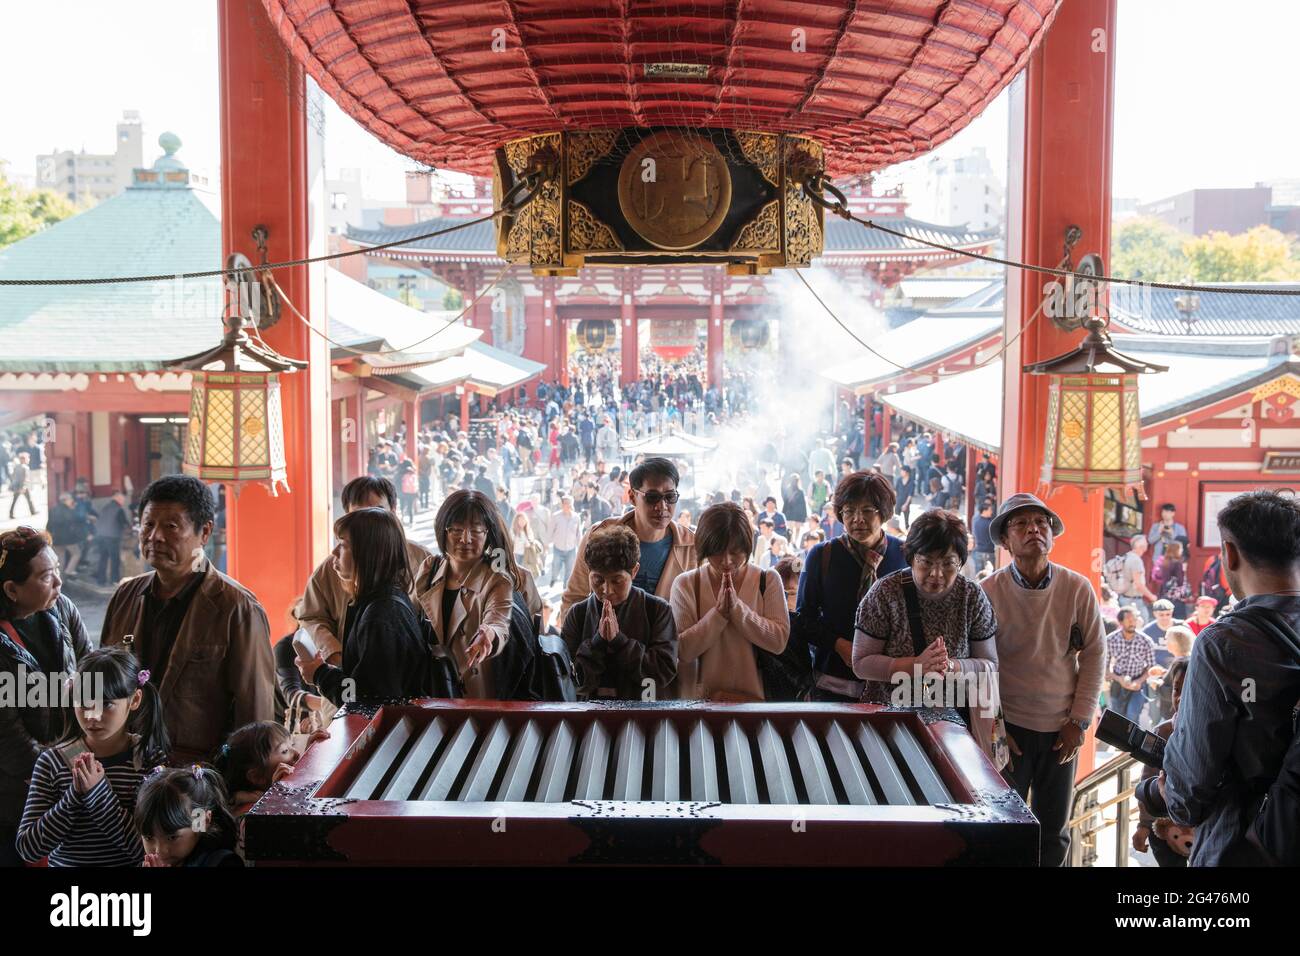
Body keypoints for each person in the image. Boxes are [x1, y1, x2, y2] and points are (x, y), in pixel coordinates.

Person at [1144, 490, 1300, 866]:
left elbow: (1187, 797)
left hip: (1245, 847)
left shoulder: (1223, 643)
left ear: (1229, 554)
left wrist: (1168, 787)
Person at [101, 475, 274, 763]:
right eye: (148, 524)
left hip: (194, 778)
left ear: (205, 532)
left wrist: (234, 785)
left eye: (171, 526)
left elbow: (255, 715)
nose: (155, 536)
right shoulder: (125, 597)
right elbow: (104, 683)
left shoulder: (237, 608)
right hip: (124, 771)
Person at [980, 492, 1106, 868]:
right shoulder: (988, 592)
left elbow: (1096, 654)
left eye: (1041, 522)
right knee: (1006, 827)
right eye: (1021, 523)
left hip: (1061, 731)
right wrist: (996, 728)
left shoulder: (1077, 587)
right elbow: (979, 666)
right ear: (1005, 541)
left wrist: (1079, 721)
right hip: (1010, 730)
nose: (1034, 529)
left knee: (1054, 832)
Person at [851, 510, 999, 758]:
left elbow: (990, 665)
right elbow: (861, 663)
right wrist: (916, 665)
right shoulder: (885, 593)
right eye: (927, 562)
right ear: (911, 557)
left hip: (954, 731)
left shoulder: (971, 596)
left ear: (961, 562)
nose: (936, 574)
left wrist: (952, 667)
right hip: (890, 728)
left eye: (948, 563)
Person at [17, 646, 169, 867]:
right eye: (83, 704)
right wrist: (75, 795)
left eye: (106, 704)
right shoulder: (53, 762)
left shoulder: (149, 760)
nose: (92, 715)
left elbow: (152, 850)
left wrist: (97, 793)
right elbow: (28, 848)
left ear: (135, 700)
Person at [0, 527, 92, 866]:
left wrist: (86, 751)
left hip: (68, 769)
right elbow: (8, 737)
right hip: (15, 792)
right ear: (12, 590)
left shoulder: (62, 609)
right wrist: (57, 771)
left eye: (57, 571)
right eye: (46, 576)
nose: (59, 583)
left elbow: (89, 669)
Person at [298, 508, 433, 705]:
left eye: (343, 545)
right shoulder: (380, 602)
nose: (334, 552)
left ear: (368, 553)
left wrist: (320, 674)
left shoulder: (382, 615)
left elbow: (366, 700)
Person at [794, 471, 908, 702]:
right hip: (834, 685)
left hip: (893, 686)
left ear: (885, 513)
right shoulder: (821, 556)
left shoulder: (906, 556)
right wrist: (839, 645)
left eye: (867, 510)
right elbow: (803, 618)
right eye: (849, 511)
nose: (857, 519)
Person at [669, 502, 790, 701]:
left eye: (735, 551)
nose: (726, 560)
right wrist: (718, 615)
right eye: (717, 551)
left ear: (747, 545)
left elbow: (779, 641)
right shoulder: (686, 584)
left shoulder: (767, 580)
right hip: (701, 705)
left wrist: (737, 610)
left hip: (756, 704)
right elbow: (683, 651)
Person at [560, 457, 696, 623]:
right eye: (652, 497)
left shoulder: (691, 547)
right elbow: (574, 597)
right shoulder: (599, 535)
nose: (662, 506)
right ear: (632, 497)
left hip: (664, 646)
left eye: (670, 496)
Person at [414, 490, 520, 699]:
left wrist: (487, 633)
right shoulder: (430, 569)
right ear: (443, 531)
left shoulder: (497, 579)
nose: (465, 538)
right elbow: (410, 620)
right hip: (433, 693)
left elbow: (498, 618)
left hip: (476, 697)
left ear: (488, 533)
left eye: (476, 530)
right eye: (456, 529)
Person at [561, 523, 677, 700]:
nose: (607, 590)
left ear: (634, 571)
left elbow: (662, 674)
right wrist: (598, 642)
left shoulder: (658, 610)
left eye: (617, 580)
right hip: (588, 716)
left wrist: (620, 643)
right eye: (598, 579)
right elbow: (570, 678)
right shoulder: (577, 614)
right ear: (588, 573)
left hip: (642, 715)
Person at [1133, 657, 1191, 869]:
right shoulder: (1163, 732)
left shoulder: (1214, 732)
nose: (1181, 697)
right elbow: (1148, 779)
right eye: (1177, 690)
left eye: (1190, 689)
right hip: (1166, 827)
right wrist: (1144, 825)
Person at [136, 766, 242, 867]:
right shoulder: (151, 863)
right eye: (149, 838)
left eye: (172, 837)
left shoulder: (224, 862)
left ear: (201, 822)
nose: (159, 851)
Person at [1104, 607, 1156, 724]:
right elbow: (1104, 668)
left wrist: (1139, 681)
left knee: (1132, 716)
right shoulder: (1110, 640)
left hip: (1138, 684)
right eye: (1128, 619)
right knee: (1117, 718)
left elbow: (1151, 668)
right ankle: (1116, 742)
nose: (1132, 622)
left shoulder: (1146, 641)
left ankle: (1131, 742)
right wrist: (1118, 679)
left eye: (1134, 619)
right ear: (1121, 622)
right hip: (1117, 682)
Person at [92, 489, 131, 586]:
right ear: (117, 498)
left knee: (103, 558)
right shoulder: (119, 509)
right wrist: (129, 527)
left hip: (101, 536)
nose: (123, 501)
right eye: (122, 499)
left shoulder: (105, 507)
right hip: (112, 537)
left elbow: (100, 520)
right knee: (115, 559)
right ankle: (114, 580)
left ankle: (101, 581)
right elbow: (124, 523)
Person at [47, 492, 90, 577]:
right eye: (70, 499)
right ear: (65, 500)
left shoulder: (53, 509)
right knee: (77, 553)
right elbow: (75, 523)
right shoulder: (69, 510)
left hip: (55, 538)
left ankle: (59, 577)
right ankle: (69, 571)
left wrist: (49, 536)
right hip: (68, 539)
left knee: (60, 558)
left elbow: (49, 525)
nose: (72, 501)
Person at [1152, 540, 1192, 619]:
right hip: (1176, 598)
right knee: (1178, 620)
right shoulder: (1177, 563)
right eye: (1180, 549)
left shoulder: (1164, 562)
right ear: (1177, 550)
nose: (1182, 551)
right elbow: (1180, 582)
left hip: (1164, 593)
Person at [550, 495, 582, 588]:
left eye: (569, 503)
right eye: (565, 503)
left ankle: (565, 586)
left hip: (571, 548)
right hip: (558, 548)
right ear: (562, 504)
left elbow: (578, 533)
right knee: (555, 566)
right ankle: (553, 578)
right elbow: (550, 530)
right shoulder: (556, 516)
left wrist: (579, 546)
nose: (567, 505)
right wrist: (547, 544)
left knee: (569, 569)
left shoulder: (576, 517)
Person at [512, 510, 545, 580]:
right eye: (520, 520)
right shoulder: (513, 530)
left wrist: (529, 543)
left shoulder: (528, 529)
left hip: (527, 554)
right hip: (517, 554)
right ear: (517, 521)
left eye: (523, 519)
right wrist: (523, 543)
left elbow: (532, 540)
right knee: (517, 572)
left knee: (528, 572)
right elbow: (511, 541)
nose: (522, 521)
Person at [6, 452, 34, 520]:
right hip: (23, 487)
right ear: (24, 459)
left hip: (16, 487)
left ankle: (11, 513)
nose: (28, 460)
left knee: (15, 500)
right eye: (28, 458)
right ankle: (33, 511)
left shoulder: (17, 467)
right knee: (29, 499)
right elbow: (25, 478)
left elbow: (13, 477)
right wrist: (23, 487)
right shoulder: (25, 467)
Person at [971, 498, 995, 573]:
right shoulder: (990, 523)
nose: (992, 512)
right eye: (990, 510)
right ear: (984, 511)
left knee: (978, 576)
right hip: (988, 552)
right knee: (989, 576)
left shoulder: (975, 521)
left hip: (978, 552)